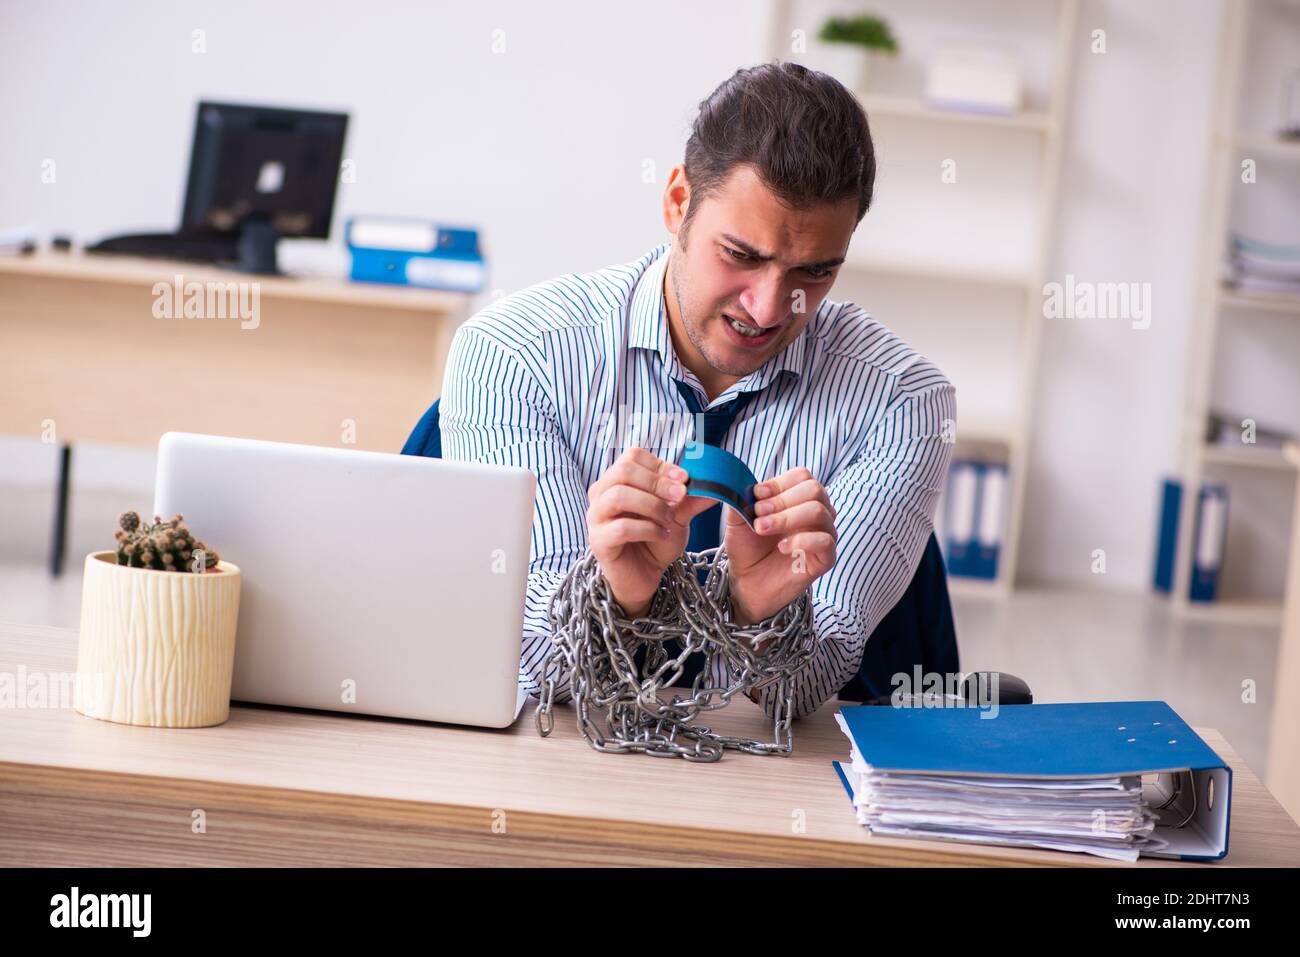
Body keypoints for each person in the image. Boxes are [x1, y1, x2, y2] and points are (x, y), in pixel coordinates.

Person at [440, 62, 955, 720]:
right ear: (677, 202)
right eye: (741, 254)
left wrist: (755, 610)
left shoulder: (903, 402)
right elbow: (532, 666)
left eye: (815, 271)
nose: (769, 308)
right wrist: (620, 597)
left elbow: (809, 686)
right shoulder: (514, 356)